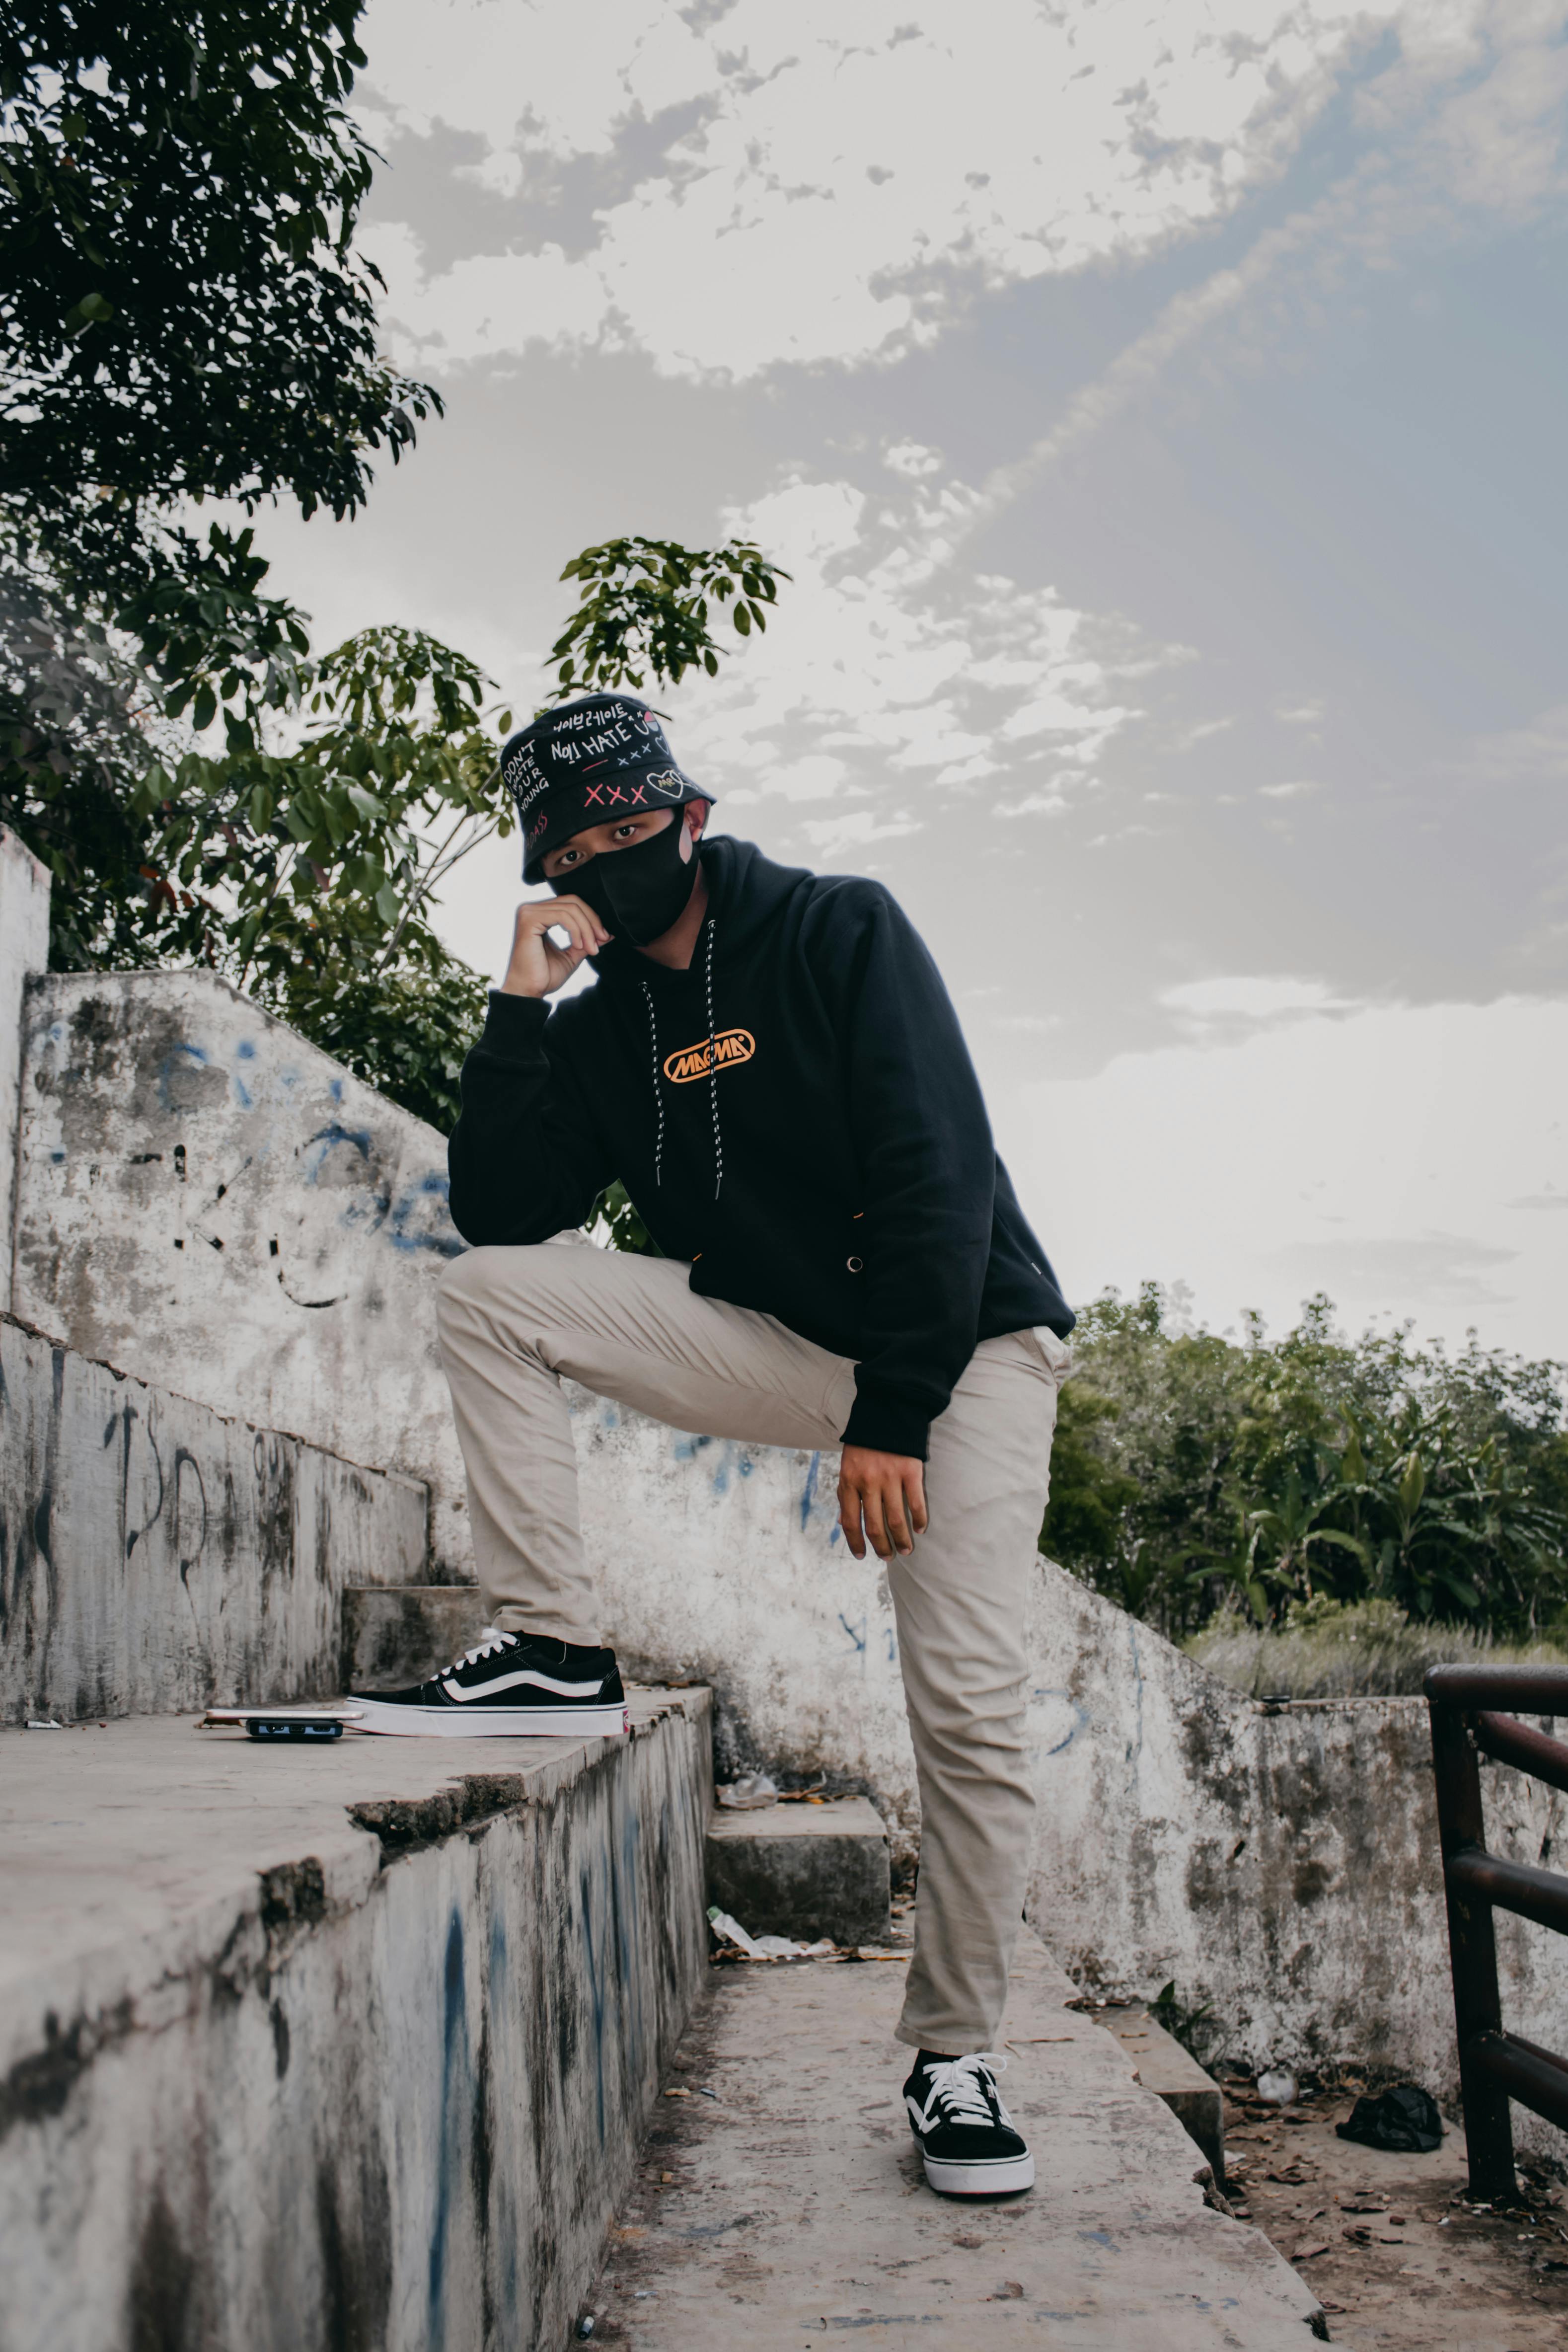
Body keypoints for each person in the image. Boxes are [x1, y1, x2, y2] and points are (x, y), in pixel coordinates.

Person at [352, 692, 1075, 2198]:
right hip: (773, 1337)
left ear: (691, 818)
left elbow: (936, 1171)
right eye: (570, 853)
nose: (603, 864)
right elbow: (505, 1211)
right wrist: (520, 1006)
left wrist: (894, 1414)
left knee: (970, 1717)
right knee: (489, 1296)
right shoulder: (601, 1026)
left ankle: (954, 2059)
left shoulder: (838, 930)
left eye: (627, 830)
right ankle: (549, 1643)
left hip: (963, 1357)